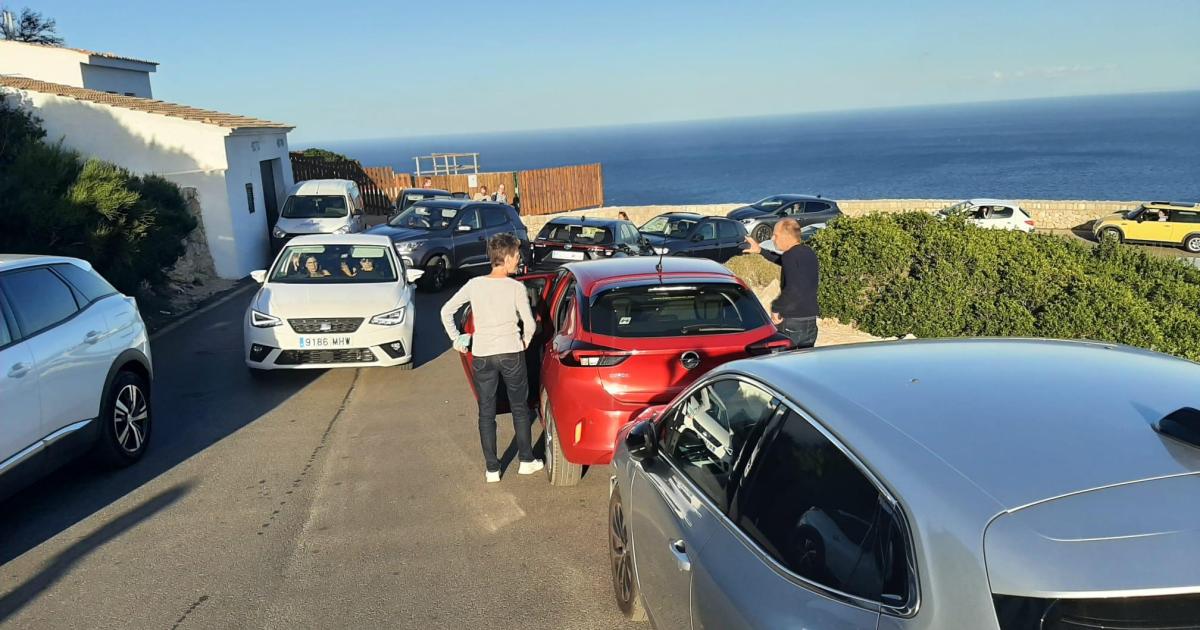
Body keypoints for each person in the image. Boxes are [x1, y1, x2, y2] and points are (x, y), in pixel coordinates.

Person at [440, 233, 543, 483]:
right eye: (516, 257)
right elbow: (529, 324)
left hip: (483, 355)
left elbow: (447, 311)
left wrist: (458, 339)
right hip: (511, 353)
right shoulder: (516, 287)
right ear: (506, 258)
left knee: (486, 412)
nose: (518, 261)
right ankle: (526, 461)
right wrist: (525, 341)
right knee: (520, 408)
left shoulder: (474, 285)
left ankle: (492, 469)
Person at [744, 218, 819, 348]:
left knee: (785, 362)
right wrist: (760, 250)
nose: (773, 238)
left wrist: (776, 308)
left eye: (776, 235)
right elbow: (783, 261)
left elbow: (793, 288)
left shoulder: (790, 256)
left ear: (786, 236)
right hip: (810, 321)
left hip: (792, 322)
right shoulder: (808, 252)